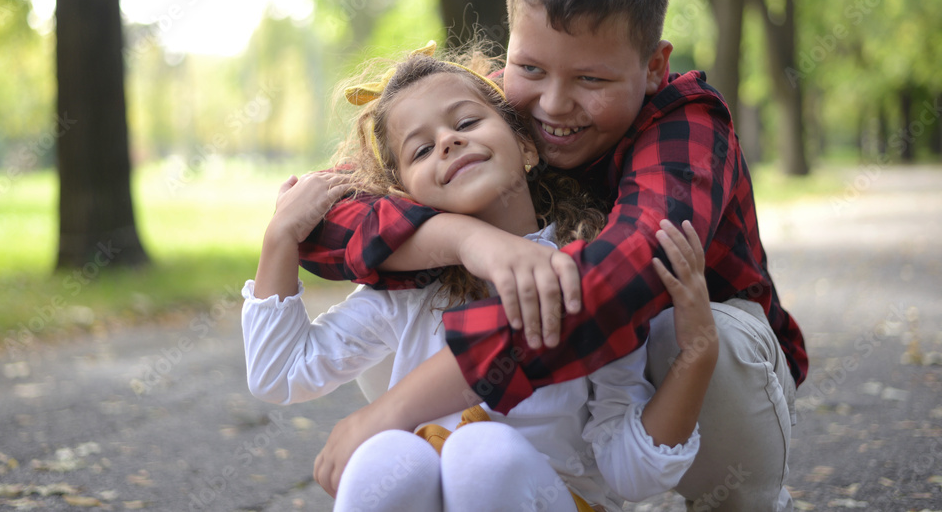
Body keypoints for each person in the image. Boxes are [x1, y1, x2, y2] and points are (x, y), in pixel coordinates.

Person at [304, 0, 807, 511]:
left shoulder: (687, 129)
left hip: (694, 356)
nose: (553, 105)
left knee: (685, 330)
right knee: (411, 293)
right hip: (539, 400)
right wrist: (461, 238)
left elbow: (614, 285)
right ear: (511, 46)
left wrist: (393, 408)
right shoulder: (483, 109)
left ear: (652, 67)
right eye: (531, 69)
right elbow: (319, 215)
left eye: (591, 79)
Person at [241, 50, 718, 511]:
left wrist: (696, 355)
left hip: (553, 496)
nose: (447, 141)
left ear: (526, 145)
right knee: (390, 457)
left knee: (482, 454)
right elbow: (280, 372)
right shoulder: (411, 292)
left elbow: (630, 473)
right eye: (422, 149)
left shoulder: (585, 269)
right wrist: (280, 236)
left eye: (466, 123)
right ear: (406, 194)